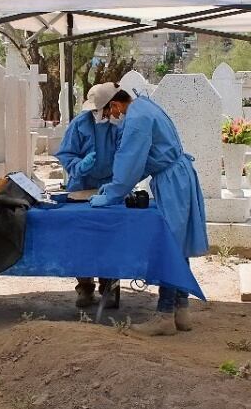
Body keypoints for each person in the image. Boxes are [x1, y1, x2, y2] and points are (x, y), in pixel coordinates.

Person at [89, 90, 208, 336]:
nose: (111, 117)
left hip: (172, 181)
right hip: (177, 176)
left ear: (115, 105)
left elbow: (130, 161)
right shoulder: (144, 106)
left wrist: (111, 193)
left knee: (169, 246)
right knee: (178, 245)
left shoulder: (136, 118)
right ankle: (181, 310)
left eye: (108, 112)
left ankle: (164, 315)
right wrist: (114, 186)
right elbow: (145, 159)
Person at [56, 82, 123, 309]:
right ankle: (84, 287)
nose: (99, 113)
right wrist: (79, 165)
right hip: (81, 187)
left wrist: (119, 181)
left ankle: (110, 287)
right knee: (81, 237)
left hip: (109, 188)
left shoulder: (118, 126)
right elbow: (66, 153)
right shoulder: (79, 124)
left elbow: (126, 155)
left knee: (110, 237)